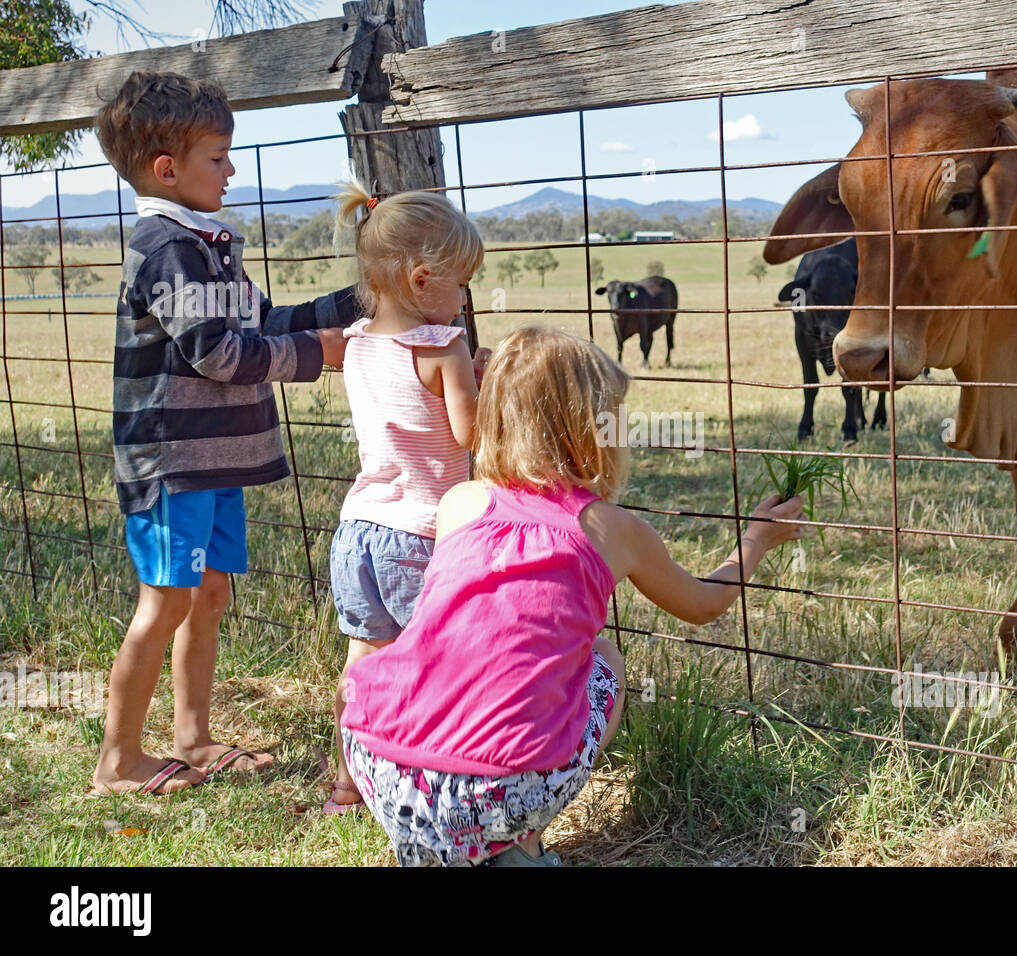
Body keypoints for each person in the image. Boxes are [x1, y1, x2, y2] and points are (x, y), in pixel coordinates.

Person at [340, 326, 805, 865]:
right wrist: (757, 538)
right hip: (491, 794)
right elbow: (703, 604)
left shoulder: (460, 503)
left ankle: (438, 842)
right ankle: (514, 844)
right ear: (595, 430)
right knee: (603, 657)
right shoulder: (610, 529)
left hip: (379, 762)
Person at [90, 71, 355, 795]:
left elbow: (259, 323)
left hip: (214, 462)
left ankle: (193, 737)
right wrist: (318, 355)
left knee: (207, 596)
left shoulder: (208, 243)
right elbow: (221, 354)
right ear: (167, 169)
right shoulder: (165, 248)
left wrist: (356, 301)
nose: (232, 169)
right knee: (166, 600)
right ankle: (117, 760)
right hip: (173, 462)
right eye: (218, 156)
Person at [323, 181, 490, 813]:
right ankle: (431, 781)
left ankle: (348, 782)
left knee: (363, 659)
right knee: (437, 662)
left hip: (359, 529)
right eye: (462, 282)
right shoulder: (443, 346)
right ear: (422, 280)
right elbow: (468, 432)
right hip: (420, 533)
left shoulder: (357, 340)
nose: (466, 295)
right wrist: (485, 377)